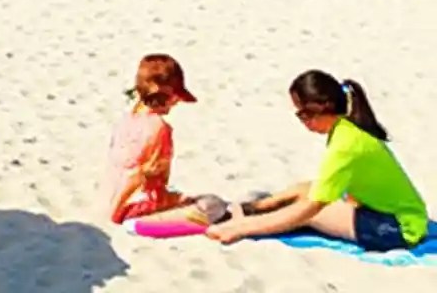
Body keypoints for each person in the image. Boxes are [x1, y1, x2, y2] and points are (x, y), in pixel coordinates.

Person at [205, 70, 428, 250]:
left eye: (303, 114)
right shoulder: (345, 129)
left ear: (320, 110)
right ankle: (254, 207)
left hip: (398, 229)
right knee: (307, 188)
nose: (302, 121)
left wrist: (242, 229)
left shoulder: (345, 144)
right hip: (391, 213)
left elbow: (309, 210)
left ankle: (246, 218)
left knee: (311, 210)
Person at [100, 54, 199, 224]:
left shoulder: (126, 120)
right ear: (169, 96)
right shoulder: (159, 128)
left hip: (107, 196)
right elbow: (143, 176)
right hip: (131, 202)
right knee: (206, 204)